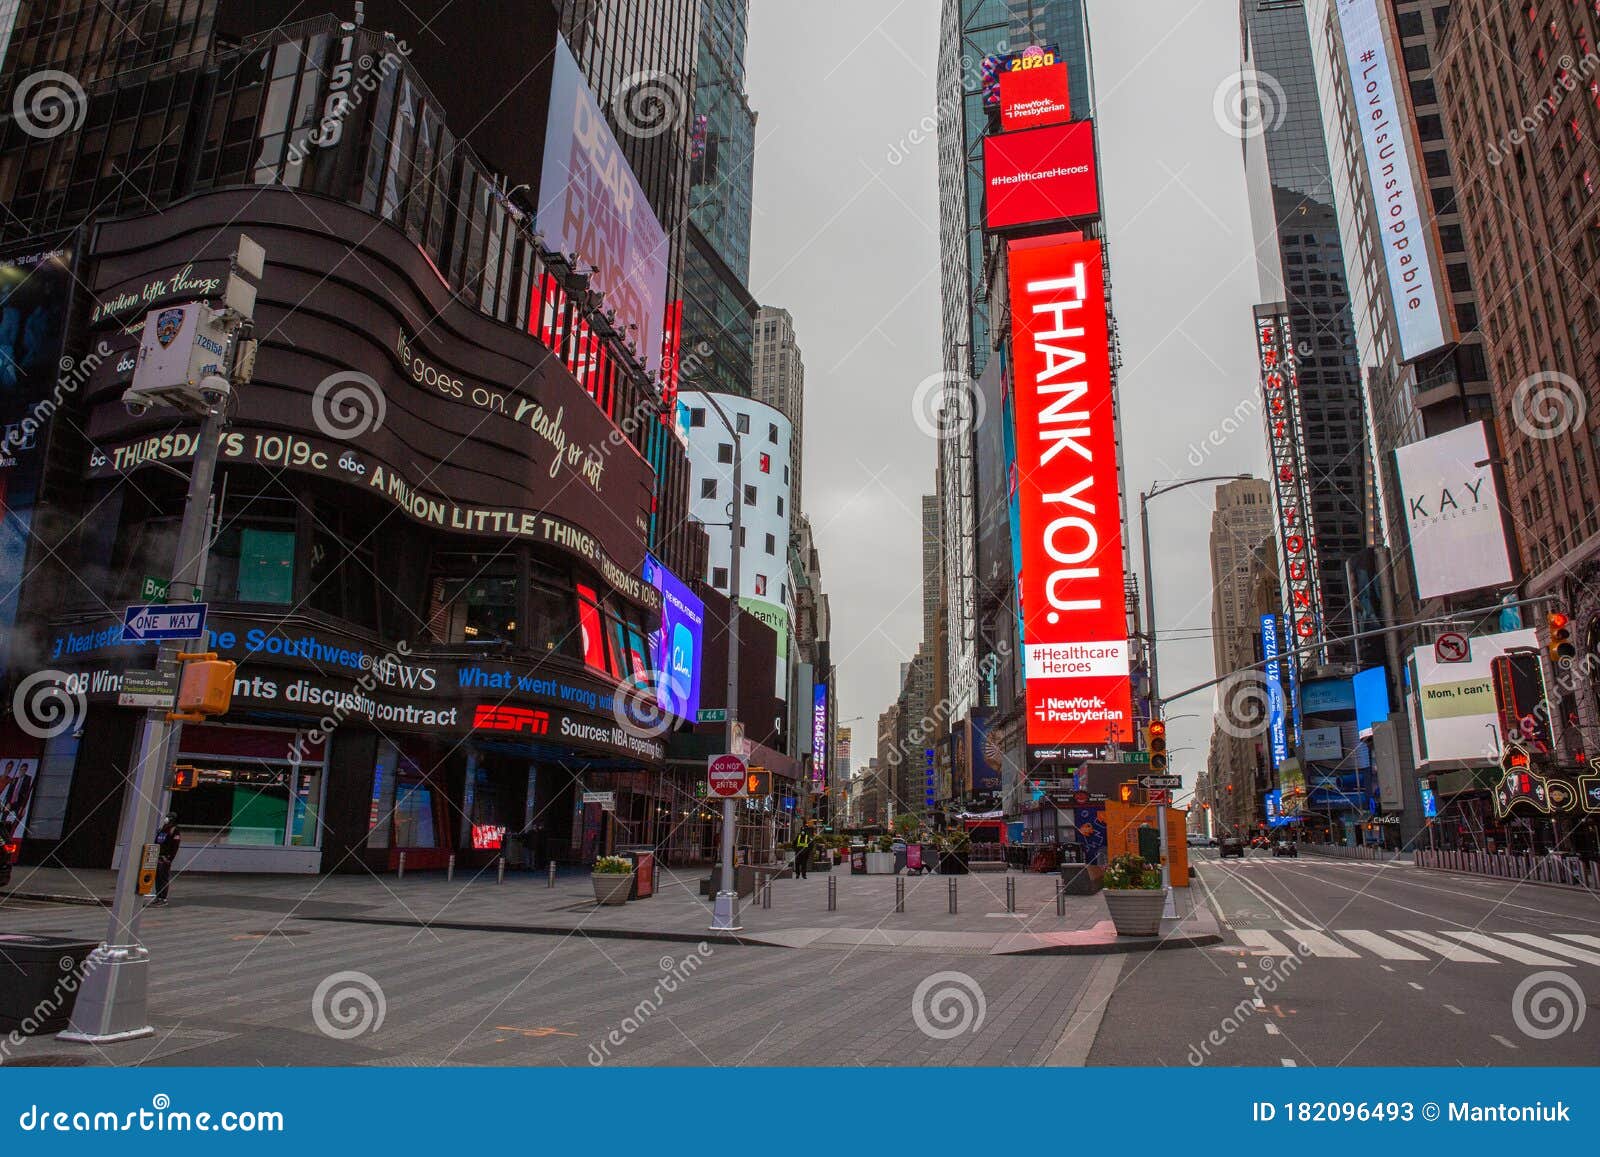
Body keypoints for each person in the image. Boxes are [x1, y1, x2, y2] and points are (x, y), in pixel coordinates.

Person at [151, 814, 180, 906]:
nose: (166, 819)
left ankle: (163, 898)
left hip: (165, 858)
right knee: (157, 878)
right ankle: (158, 896)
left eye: (169, 817)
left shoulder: (174, 831)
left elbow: (175, 847)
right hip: (158, 856)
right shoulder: (162, 829)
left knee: (163, 878)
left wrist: (169, 858)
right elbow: (156, 842)